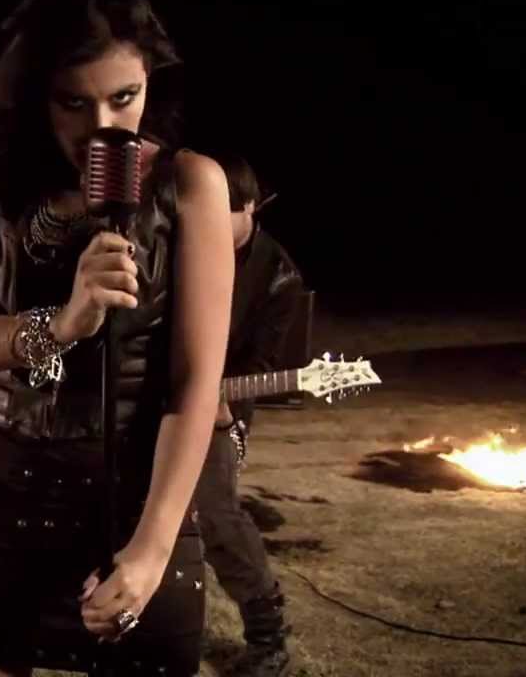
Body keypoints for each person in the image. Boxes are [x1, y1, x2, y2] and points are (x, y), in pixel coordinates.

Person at [0, 0, 234, 676]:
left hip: (134, 499)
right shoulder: (1, 187)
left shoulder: (191, 185)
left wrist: (151, 551)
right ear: (37, 94)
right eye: (74, 102)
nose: (103, 127)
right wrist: (62, 324)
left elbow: (194, 387)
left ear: (150, 82)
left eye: (124, 97)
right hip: (1, 488)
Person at [193, 153, 303, 677]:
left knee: (215, 512)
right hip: (158, 394)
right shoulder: (185, 242)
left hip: (223, 404)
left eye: (224, 213)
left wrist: (223, 405)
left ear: (251, 207)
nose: (210, 225)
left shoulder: (278, 275)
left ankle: (268, 635)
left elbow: (260, 364)